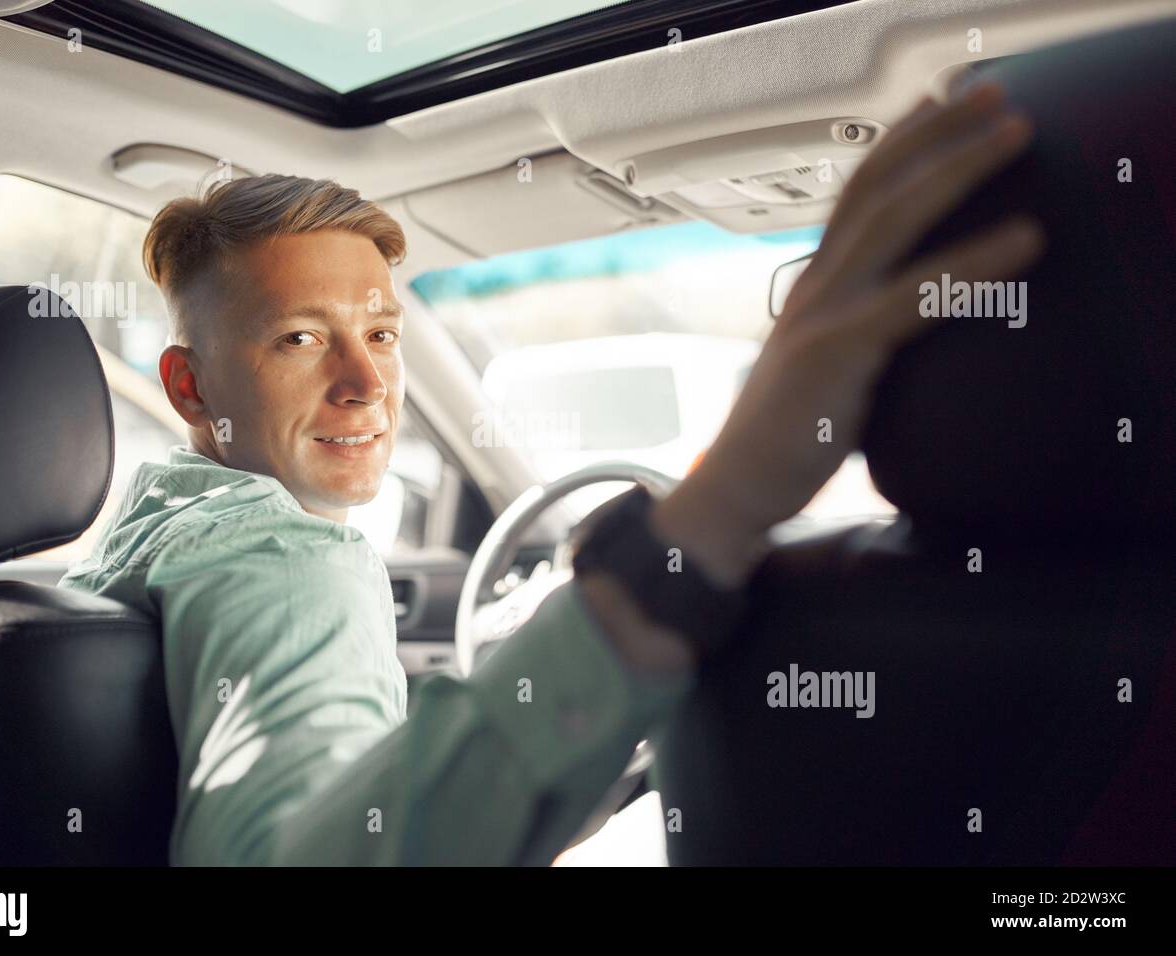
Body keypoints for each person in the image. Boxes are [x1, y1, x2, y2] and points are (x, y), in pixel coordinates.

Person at [59, 81, 1042, 865]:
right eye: (301, 337)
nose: (365, 383)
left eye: (383, 333)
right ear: (188, 388)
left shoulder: (149, 534)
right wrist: (709, 513)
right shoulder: (285, 558)